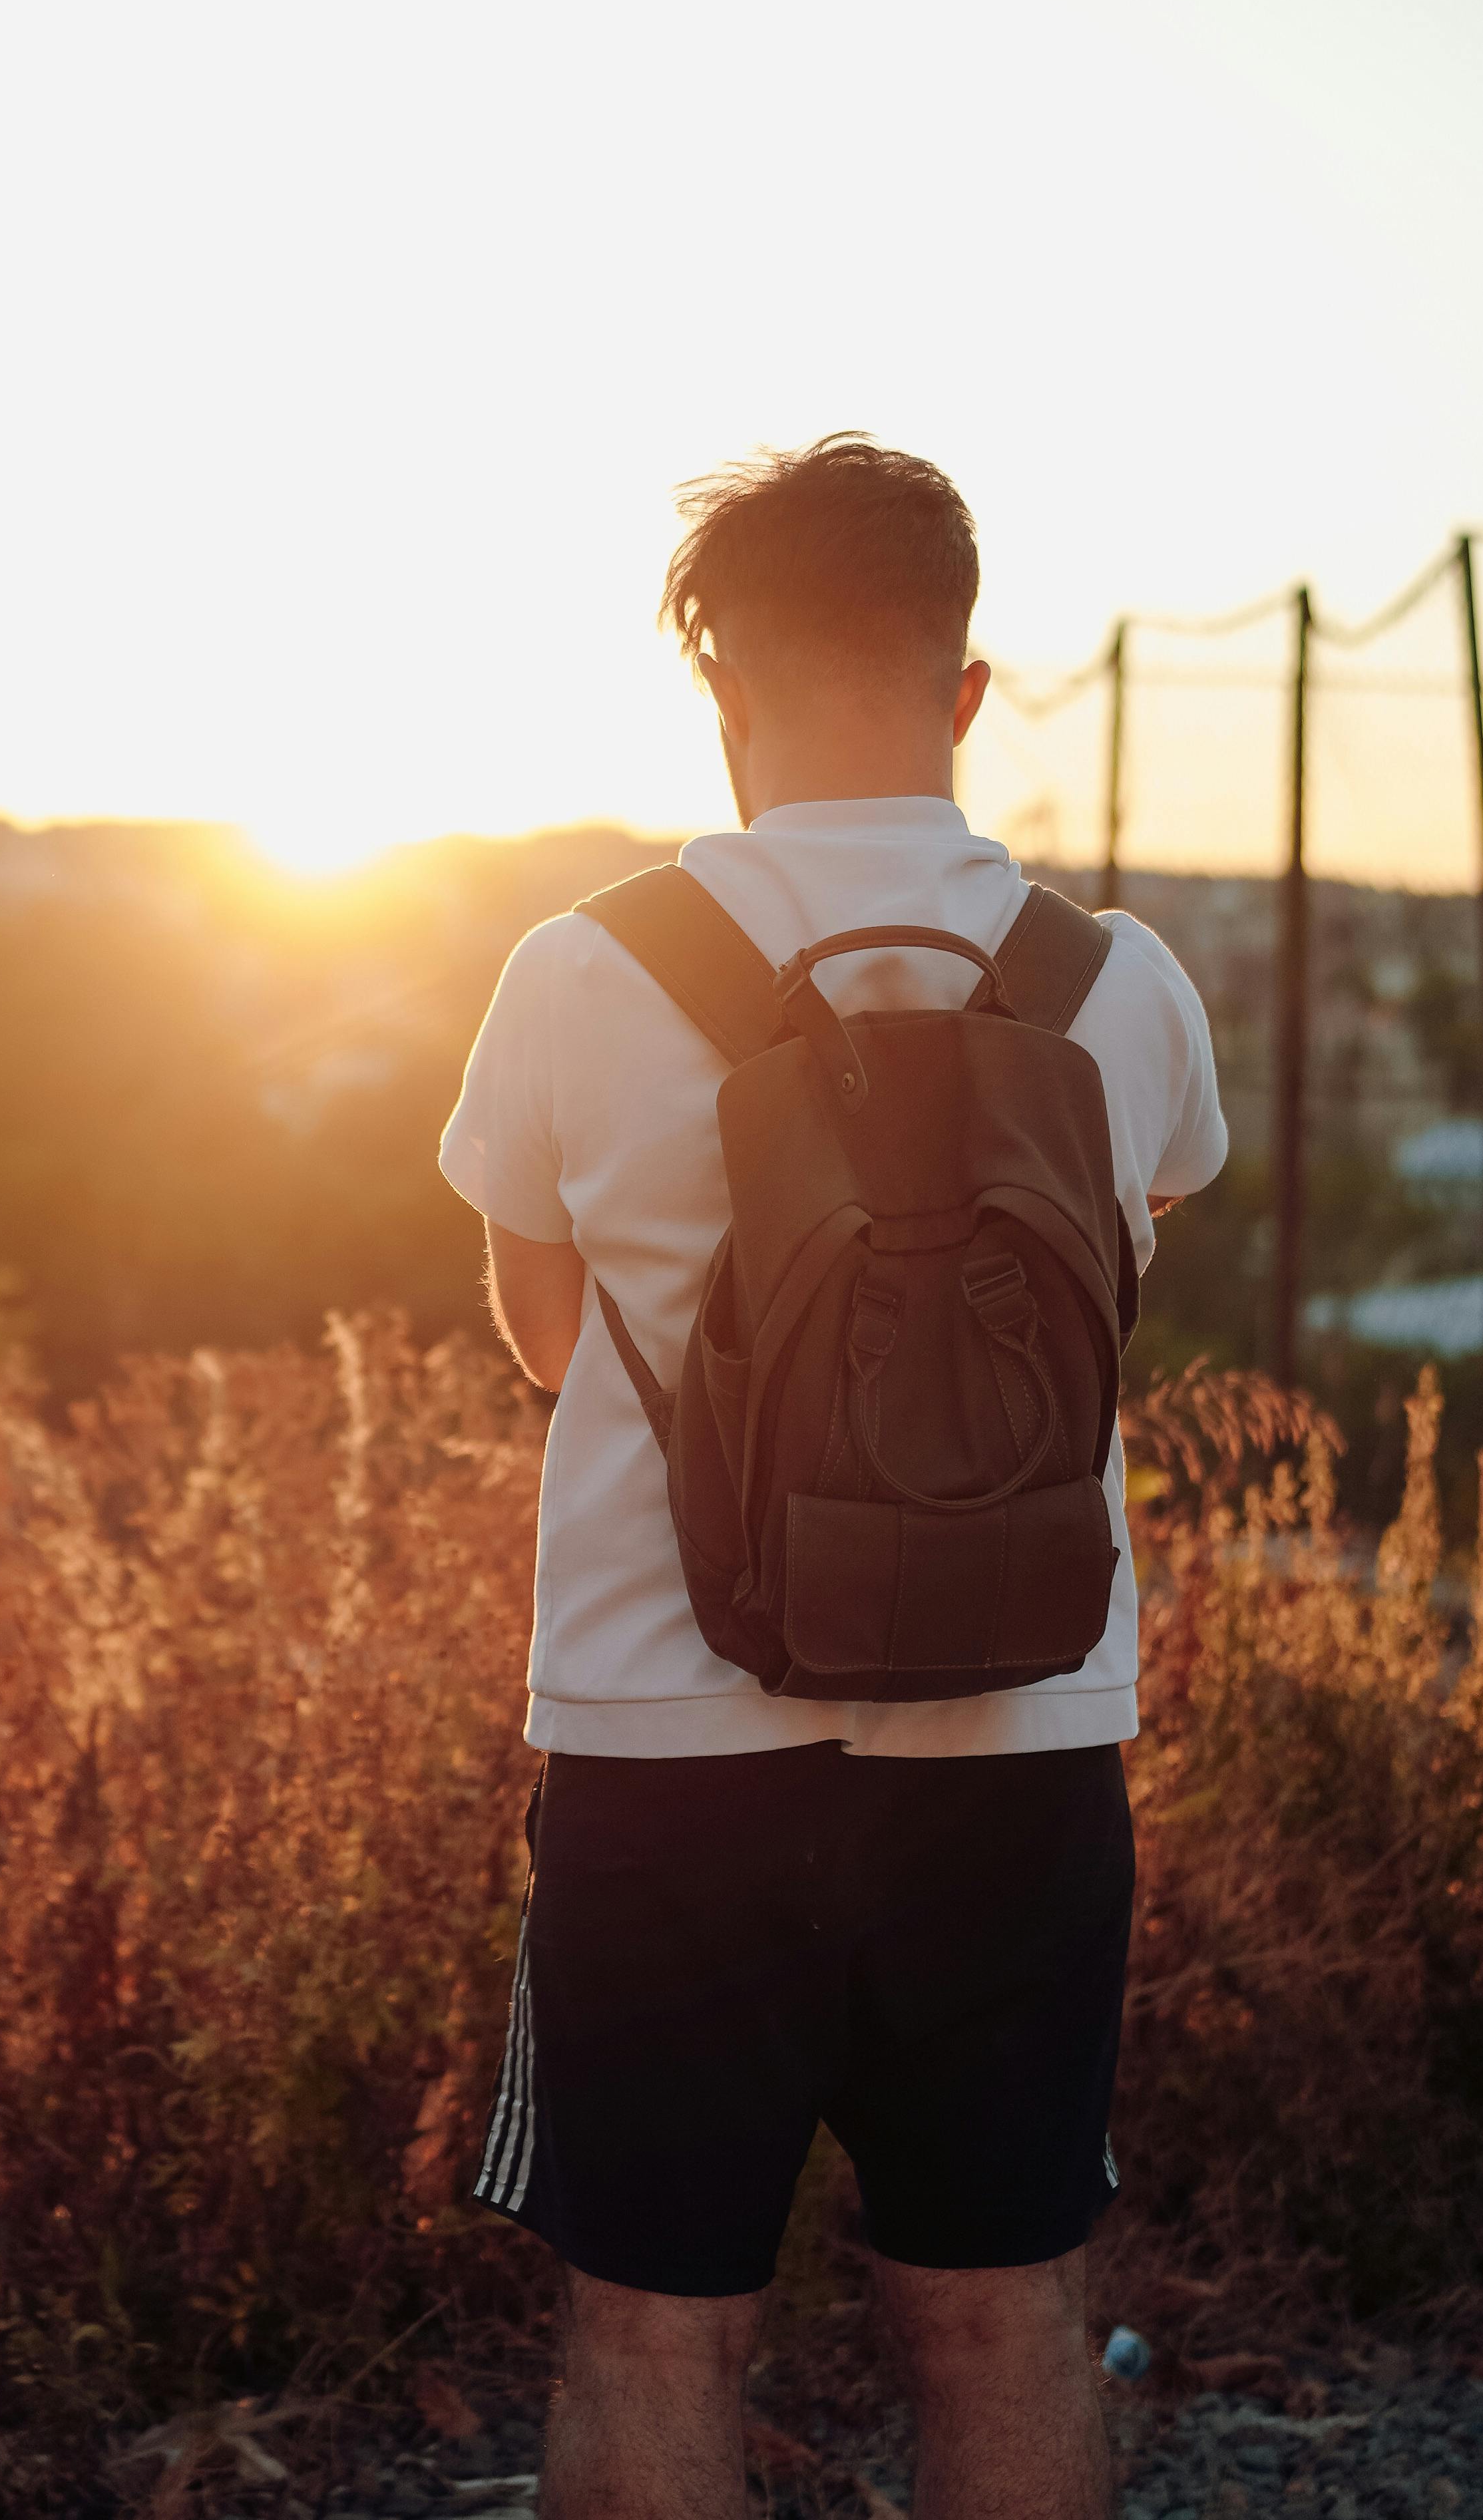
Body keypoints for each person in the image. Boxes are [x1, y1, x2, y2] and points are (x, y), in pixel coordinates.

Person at [439, 439, 1227, 2520]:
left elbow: (540, 1335)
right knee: (1003, 2308)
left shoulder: (580, 969)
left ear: (722, 689)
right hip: (1021, 1737)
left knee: (655, 2318)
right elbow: (1116, 1268)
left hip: (669, 1733)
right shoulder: (1116, 981)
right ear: (968, 685)